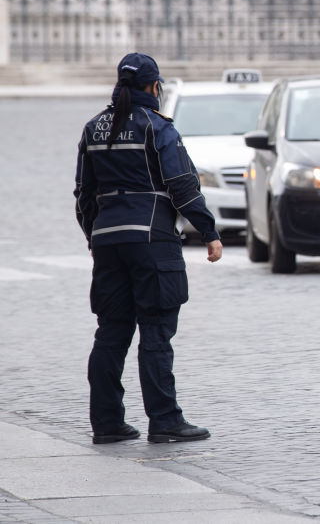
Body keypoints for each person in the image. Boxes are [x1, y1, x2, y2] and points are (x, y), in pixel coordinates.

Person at [74, 52, 223, 444]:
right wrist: (209, 232)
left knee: (111, 332)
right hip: (152, 240)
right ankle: (165, 420)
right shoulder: (158, 127)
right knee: (156, 331)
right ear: (154, 87)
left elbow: (84, 194)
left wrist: (95, 236)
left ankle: (107, 423)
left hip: (108, 241)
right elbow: (183, 185)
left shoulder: (93, 128)